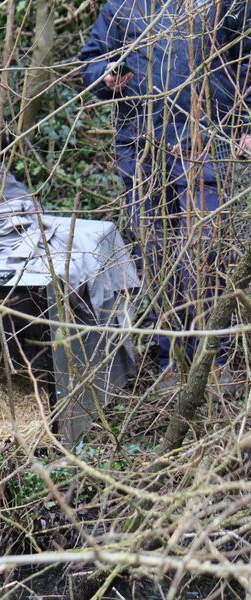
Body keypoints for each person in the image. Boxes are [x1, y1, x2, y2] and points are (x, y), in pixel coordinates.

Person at [79, 0, 251, 371]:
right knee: (155, 253)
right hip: (140, 146)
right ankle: (169, 359)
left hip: (205, 141)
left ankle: (211, 360)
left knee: (205, 252)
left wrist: (247, 122)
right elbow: (91, 61)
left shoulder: (224, 4)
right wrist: (105, 76)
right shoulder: (122, 6)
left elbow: (247, 57)